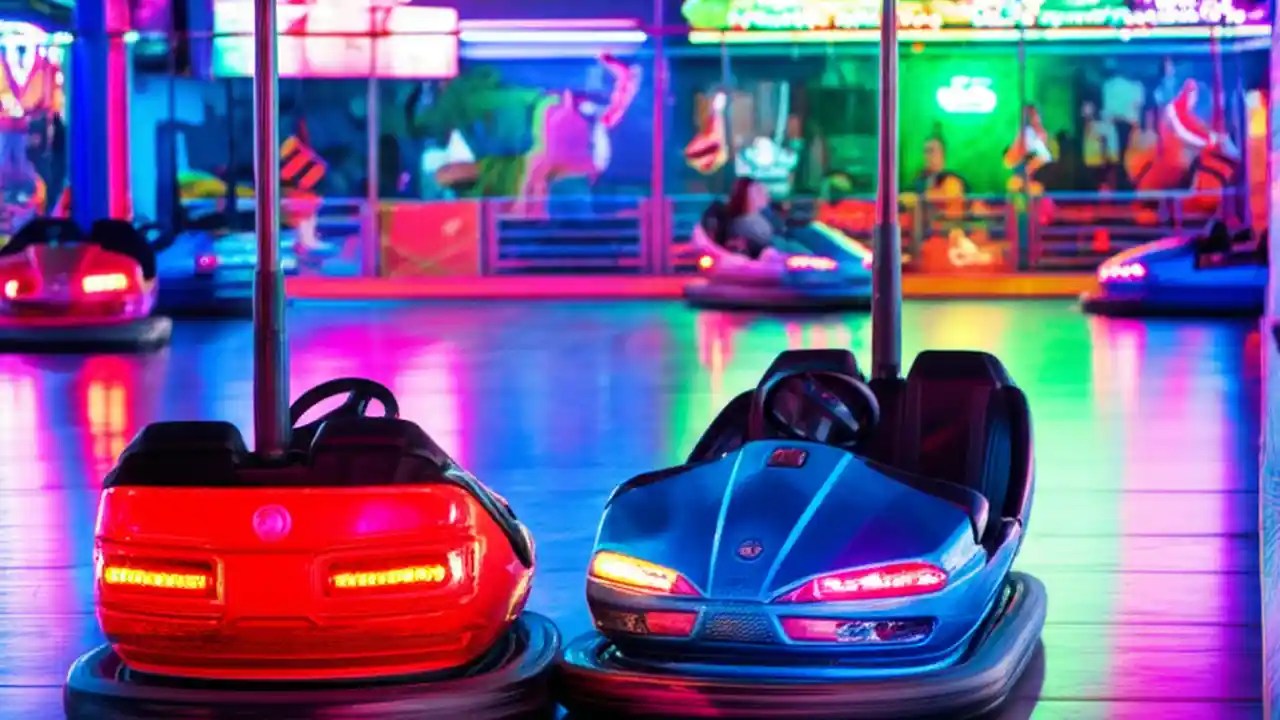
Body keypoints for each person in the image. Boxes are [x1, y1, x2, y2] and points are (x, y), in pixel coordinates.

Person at [725, 177, 784, 258]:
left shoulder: (766, 216)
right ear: (745, 196)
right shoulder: (743, 224)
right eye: (759, 192)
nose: (766, 196)